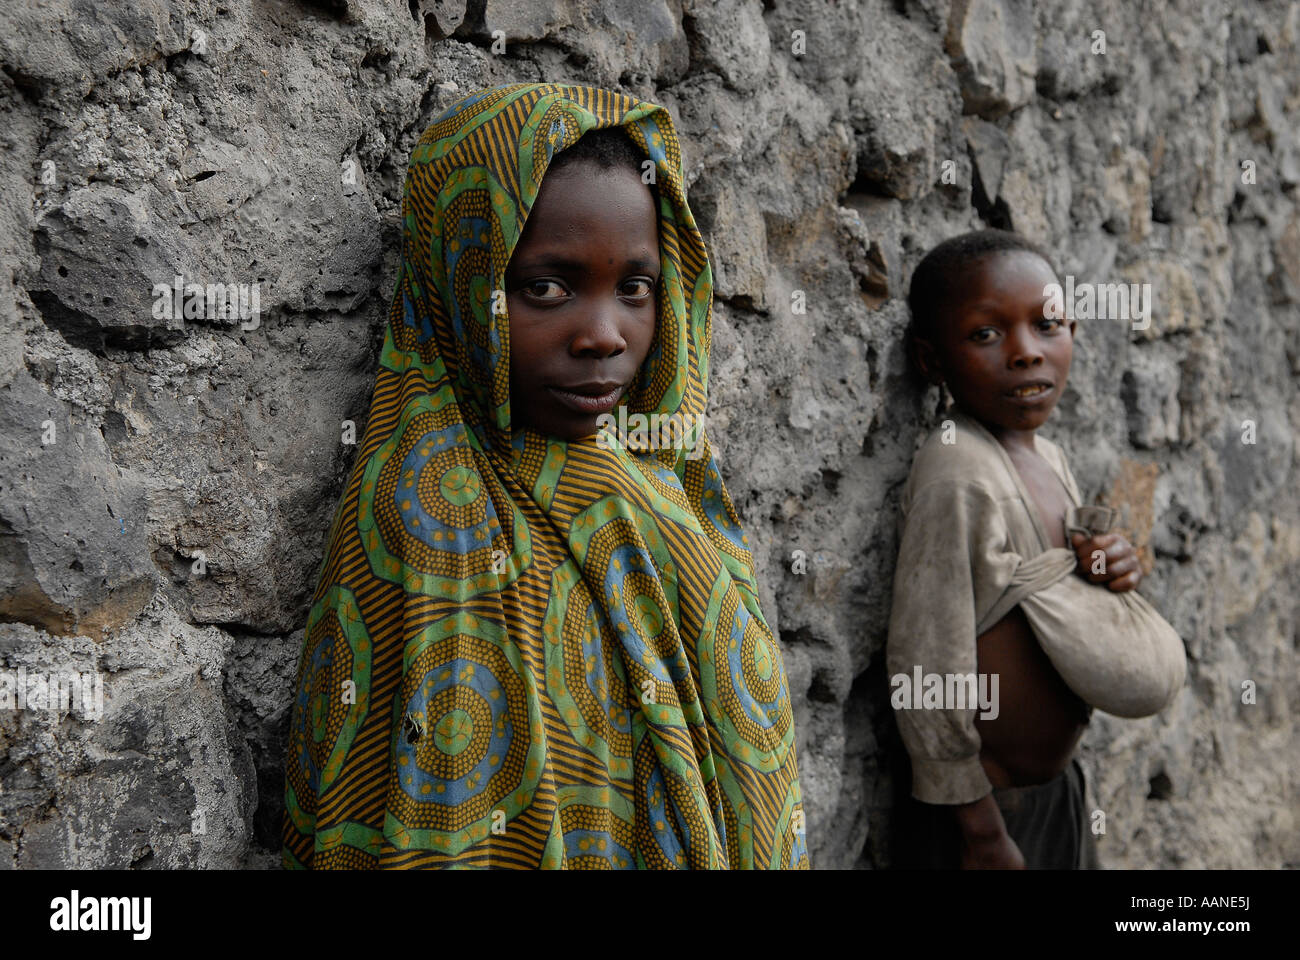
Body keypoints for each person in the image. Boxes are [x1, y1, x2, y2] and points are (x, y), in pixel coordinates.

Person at [281, 83, 809, 869]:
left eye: (634, 288)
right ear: (463, 279)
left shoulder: (658, 485)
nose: (603, 335)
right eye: (545, 288)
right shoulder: (433, 515)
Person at [887, 229, 1185, 869]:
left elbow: (1047, 593)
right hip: (984, 812)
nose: (1025, 353)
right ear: (931, 360)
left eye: (1047, 325)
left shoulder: (1047, 458)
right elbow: (925, 658)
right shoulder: (957, 470)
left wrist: (1109, 567)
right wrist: (980, 830)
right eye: (986, 335)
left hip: (1052, 793)